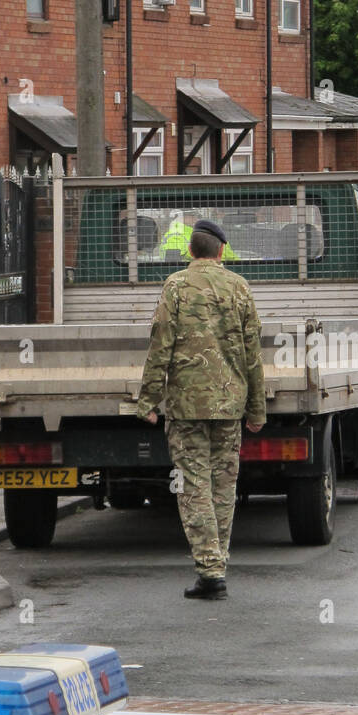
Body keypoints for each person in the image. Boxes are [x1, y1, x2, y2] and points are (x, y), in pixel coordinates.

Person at [136, 218, 265, 600]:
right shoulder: (240, 287)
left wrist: (148, 401)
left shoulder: (175, 286)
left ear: (190, 250)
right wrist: (257, 410)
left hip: (186, 406)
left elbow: (160, 345)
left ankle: (210, 571)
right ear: (221, 250)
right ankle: (217, 563)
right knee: (224, 486)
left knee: (194, 486)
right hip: (230, 405)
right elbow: (252, 354)